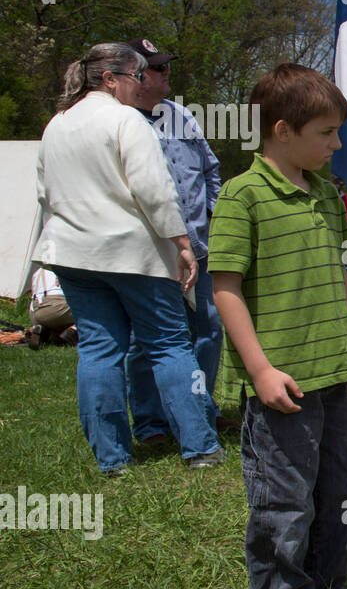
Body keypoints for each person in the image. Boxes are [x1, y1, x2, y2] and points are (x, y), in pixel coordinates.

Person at [208, 63, 347, 589]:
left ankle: (328, 588)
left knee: (344, 493)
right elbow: (225, 288)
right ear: (282, 130)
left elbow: (343, 276)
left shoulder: (329, 195)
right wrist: (259, 369)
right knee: (285, 501)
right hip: (284, 383)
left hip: (333, 372)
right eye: (326, 133)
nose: (336, 145)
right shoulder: (242, 196)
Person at [30, 42, 223, 476]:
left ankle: (113, 458)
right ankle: (200, 446)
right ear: (109, 79)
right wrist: (182, 242)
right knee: (169, 345)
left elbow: (44, 192)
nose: (141, 84)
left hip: (72, 255)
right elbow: (154, 189)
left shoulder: (56, 125)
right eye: (137, 76)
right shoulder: (127, 120)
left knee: (98, 349)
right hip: (132, 254)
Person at [121, 36, 232, 438]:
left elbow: (209, 169)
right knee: (146, 338)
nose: (167, 73)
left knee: (210, 327)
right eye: (157, 68)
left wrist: (215, 215)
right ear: (135, 74)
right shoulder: (119, 121)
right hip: (150, 251)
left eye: (166, 65)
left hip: (198, 246)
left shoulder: (181, 114)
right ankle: (152, 422)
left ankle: (199, 407)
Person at [26, 267, 77, 348]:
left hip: (35, 312)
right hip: (58, 307)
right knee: (94, 309)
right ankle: (73, 331)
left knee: (56, 321)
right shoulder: (70, 266)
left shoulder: (39, 271)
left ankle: (44, 331)